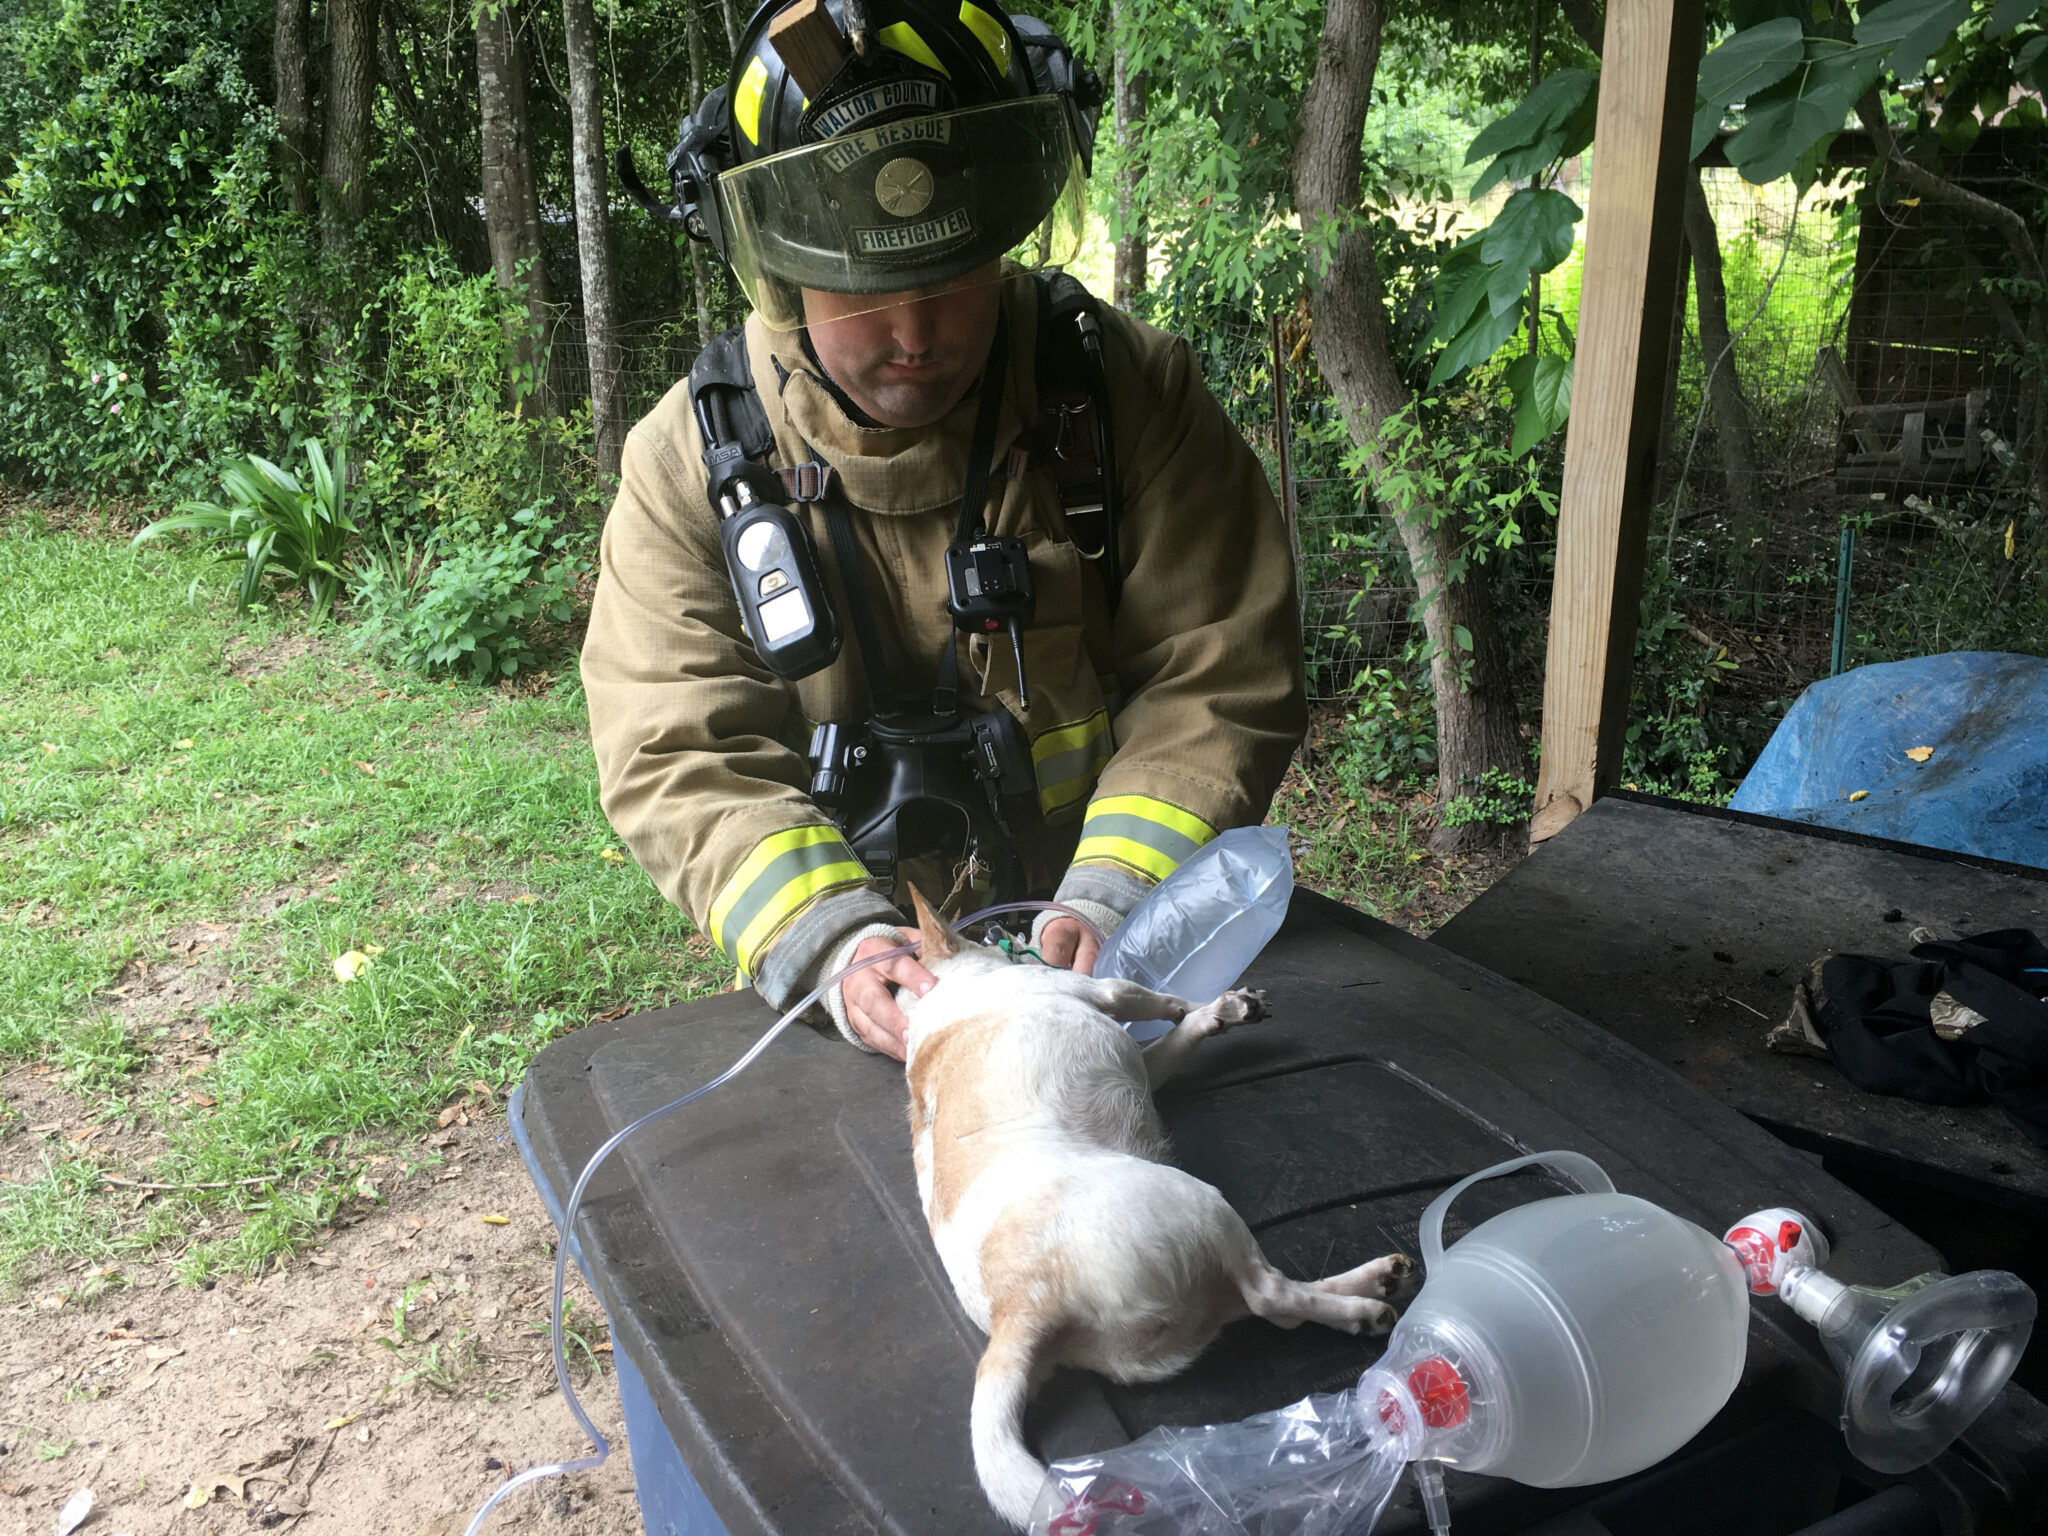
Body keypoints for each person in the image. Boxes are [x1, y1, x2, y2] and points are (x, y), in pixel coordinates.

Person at [582, 0, 1303, 1060]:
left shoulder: (1122, 397)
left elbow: (1217, 673)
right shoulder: (686, 467)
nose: (915, 334)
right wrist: (835, 945)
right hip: (861, 1003)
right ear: (780, 268)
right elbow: (677, 747)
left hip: (1111, 958)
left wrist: (1113, 900)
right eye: (864, 284)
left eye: (952, 272)